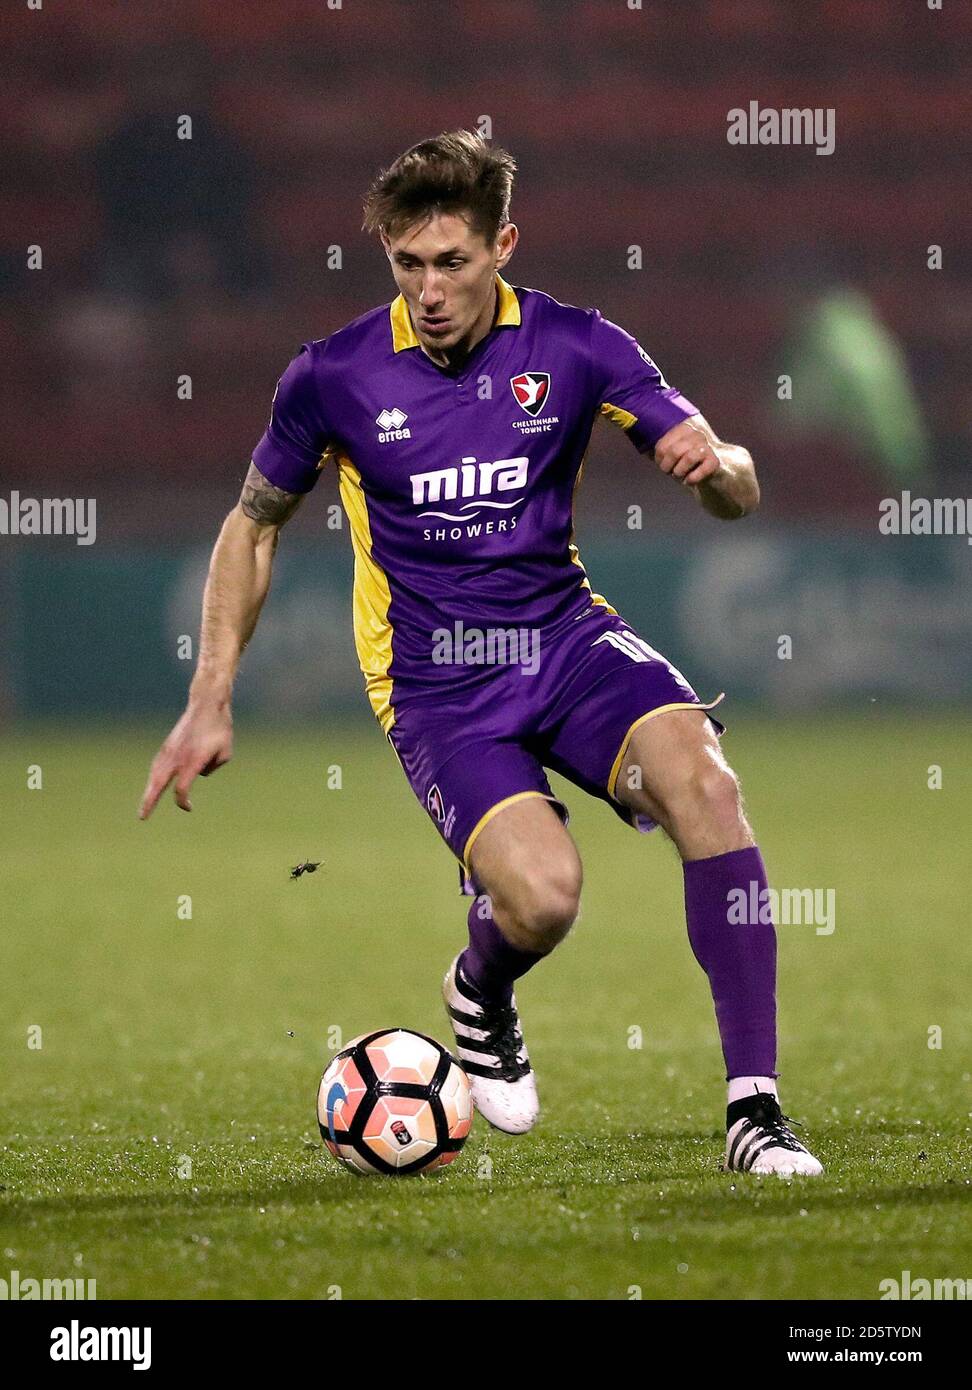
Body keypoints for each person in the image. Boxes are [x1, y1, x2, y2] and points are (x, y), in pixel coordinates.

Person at [140, 131, 822, 1178]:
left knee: (710, 786)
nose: (429, 289)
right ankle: (482, 984)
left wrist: (714, 465)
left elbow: (738, 492)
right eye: (407, 265)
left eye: (451, 261)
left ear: (504, 244)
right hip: (439, 687)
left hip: (569, 641)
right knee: (545, 898)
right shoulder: (334, 376)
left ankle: (755, 1108)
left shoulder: (579, 345)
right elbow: (254, 522)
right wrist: (209, 697)